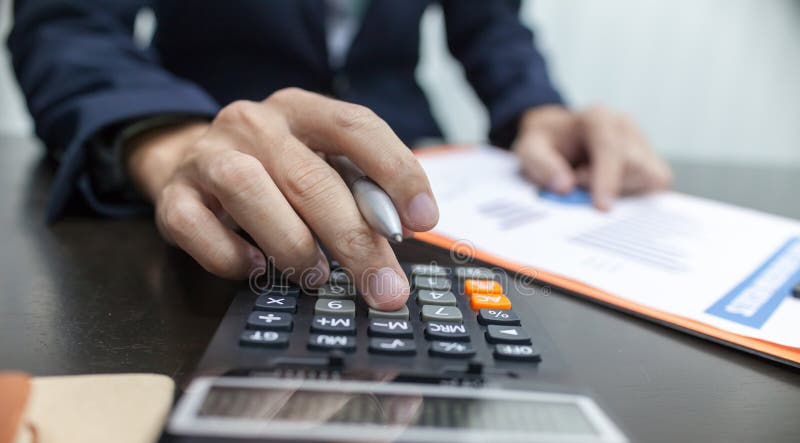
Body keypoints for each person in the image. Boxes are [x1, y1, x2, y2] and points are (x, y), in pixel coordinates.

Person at [8, 0, 671, 310]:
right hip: (226, 174)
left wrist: (538, 109)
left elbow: (492, 22)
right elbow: (67, 22)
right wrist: (167, 138)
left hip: (417, 177)